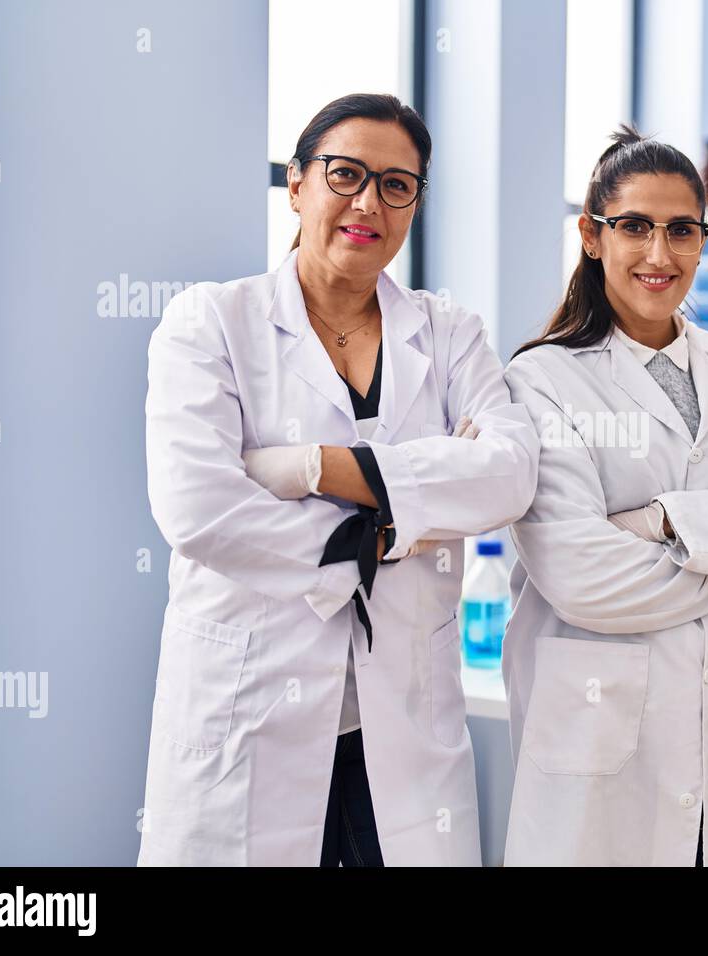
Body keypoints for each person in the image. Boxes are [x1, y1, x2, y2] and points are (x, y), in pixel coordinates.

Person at [139, 93, 538, 866]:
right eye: (345, 174)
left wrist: (314, 469)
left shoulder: (449, 331)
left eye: (397, 185)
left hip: (400, 728)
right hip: (250, 717)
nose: (368, 203)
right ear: (296, 184)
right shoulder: (211, 325)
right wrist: (398, 526)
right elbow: (202, 511)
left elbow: (509, 475)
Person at [501, 127, 708, 866]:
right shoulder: (542, 381)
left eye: (682, 230)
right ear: (592, 236)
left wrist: (665, 522)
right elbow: (582, 578)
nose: (660, 255)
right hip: (601, 742)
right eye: (634, 228)